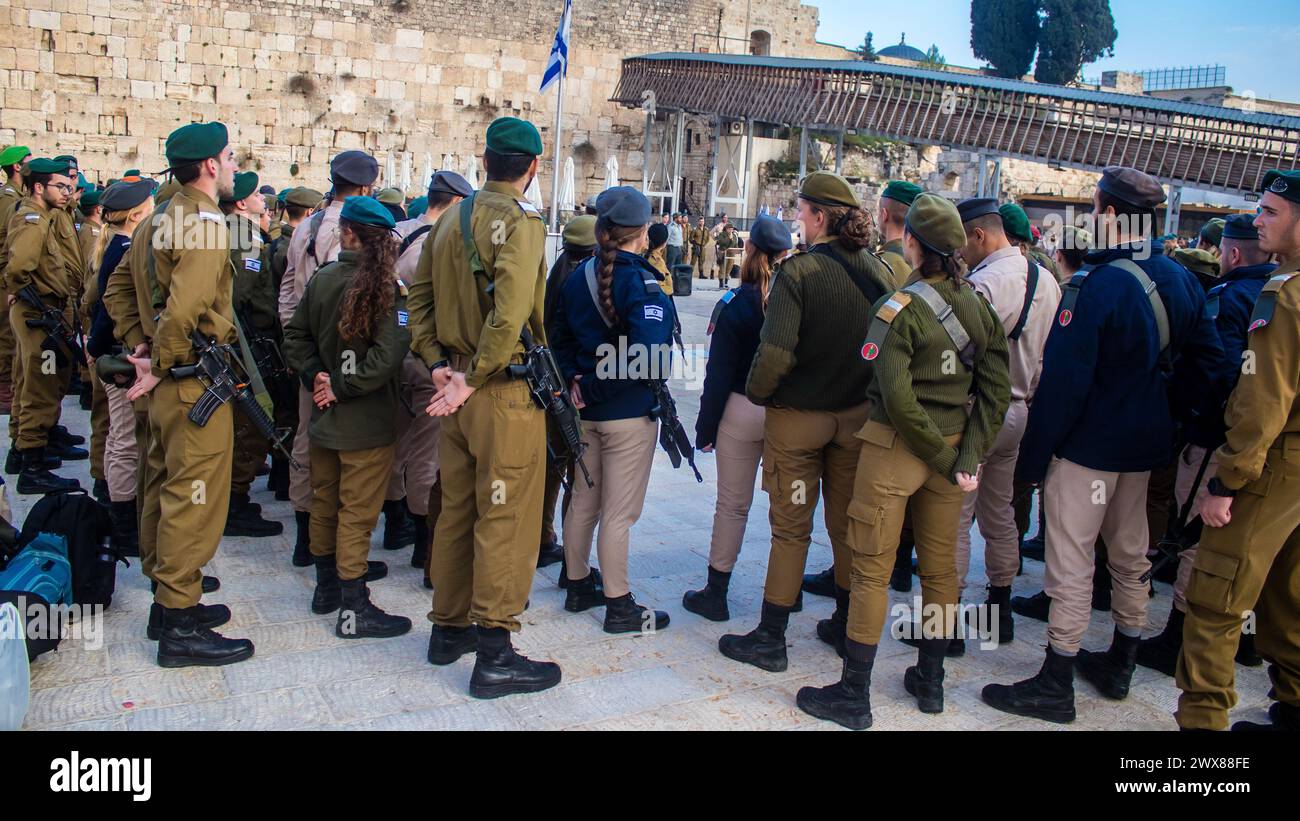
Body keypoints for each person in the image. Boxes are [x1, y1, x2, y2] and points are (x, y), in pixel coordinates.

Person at [984, 166, 1225, 723]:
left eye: (1094, 208)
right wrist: (1168, 419)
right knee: (1130, 554)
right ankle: (1121, 660)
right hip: (1143, 450)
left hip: (1089, 449)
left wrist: (1034, 460)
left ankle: (1056, 679)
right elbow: (1209, 366)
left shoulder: (1094, 287)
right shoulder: (1182, 279)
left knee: (1070, 564)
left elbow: (1065, 386)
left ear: (1111, 214)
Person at [795, 193, 1010, 730]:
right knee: (940, 571)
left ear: (912, 241)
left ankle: (854, 693)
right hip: (954, 449)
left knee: (870, 568)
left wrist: (942, 454)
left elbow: (894, 395)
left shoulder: (898, 308)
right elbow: (995, 390)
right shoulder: (979, 306)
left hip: (896, 450)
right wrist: (968, 454)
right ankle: (930, 683)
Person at [718, 171, 899, 673]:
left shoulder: (798, 274)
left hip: (800, 422)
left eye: (801, 210)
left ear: (821, 217)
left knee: (791, 529)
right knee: (845, 525)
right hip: (855, 420)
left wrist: (758, 393)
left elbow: (774, 354)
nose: (797, 218)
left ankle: (771, 637)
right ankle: (844, 624)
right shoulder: (882, 272)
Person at [407, 116, 561, 698]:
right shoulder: (521, 223)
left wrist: (437, 364)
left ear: (485, 160)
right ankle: (495, 651)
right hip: (499, 392)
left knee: (459, 511)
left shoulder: (452, 218)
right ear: (533, 167)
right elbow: (512, 314)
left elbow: (417, 297)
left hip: (456, 392)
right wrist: (472, 376)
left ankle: (448, 630)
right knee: (507, 517)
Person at [123, 121, 255, 667]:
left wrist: (143, 346)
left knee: (164, 487)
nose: (230, 166)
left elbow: (119, 289)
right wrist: (162, 360)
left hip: (172, 382)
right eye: (227, 157)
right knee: (193, 497)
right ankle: (179, 623)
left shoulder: (160, 217)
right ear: (208, 166)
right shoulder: (202, 221)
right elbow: (183, 310)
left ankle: (168, 602)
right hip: (190, 380)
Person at [1176, 170, 1300, 732]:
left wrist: (1226, 483)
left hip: (1271, 467)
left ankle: (1202, 733)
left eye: (1272, 211)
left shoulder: (1284, 295)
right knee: (1288, 595)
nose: (1259, 221)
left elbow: (1261, 402)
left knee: (1215, 599)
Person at [1137, 213, 1276, 677]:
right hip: (1264, 444)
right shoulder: (1280, 293)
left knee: (1198, 538)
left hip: (1217, 441)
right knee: (1249, 544)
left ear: (1232, 254)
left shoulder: (1229, 295)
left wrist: (1193, 418)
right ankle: (1249, 636)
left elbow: (1212, 370)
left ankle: (1177, 638)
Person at [283, 195, 413, 640]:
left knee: (325, 504)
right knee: (356, 515)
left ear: (347, 234)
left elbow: (295, 336)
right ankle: (354, 606)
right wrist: (339, 382)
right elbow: (385, 359)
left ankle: (326, 590)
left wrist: (317, 375)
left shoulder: (322, 281)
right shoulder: (389, 291)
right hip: (366, 423)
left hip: (324, 418)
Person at [549, 186, 675, 633]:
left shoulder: (577, 275)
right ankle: (619, 605)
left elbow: (557, 338)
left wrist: (577, 384)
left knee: (584, 502)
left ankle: (578, 583)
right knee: (619, 514)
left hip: (586, 411)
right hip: (626, 414)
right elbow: (647, 354)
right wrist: (598, 386)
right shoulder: (643, 283)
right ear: (643, 232)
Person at [684, 215, 792, 621]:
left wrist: (705, 428)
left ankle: (716, 592)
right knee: (787, 507)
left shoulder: (734, 303)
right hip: (785, 413)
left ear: (748, 252)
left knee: (732, 505)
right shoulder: (793, 299)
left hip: (741, 407)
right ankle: (787, 590)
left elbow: (719, 373)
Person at [279, 150, 381, 575]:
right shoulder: (354, 228)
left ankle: (308, 541)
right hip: (348, 354)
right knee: (351, 457)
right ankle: (340, 555)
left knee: (309, 442)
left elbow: (288, 288)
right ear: (365, 188)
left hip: (311, 351)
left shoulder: (306, 227)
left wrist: (300, 349)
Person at [388, 170, 472, 576]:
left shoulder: (397, 231)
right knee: (427, 453)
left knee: (397, 442)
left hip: (393, 353)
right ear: (456, 203)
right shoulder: (445, 244)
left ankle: (393, 525)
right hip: (428, 361)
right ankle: (425, 547)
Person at [85, 177, 157, 559]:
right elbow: (109, 308)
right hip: (122, 355)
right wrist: (98, 348)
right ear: (136, 213)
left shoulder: (111, 243)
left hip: (112, 352)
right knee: (127, 441)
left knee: (118, 438)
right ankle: (126, 529)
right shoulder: (124, 247)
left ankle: (121, 517)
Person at [3, 157, 84, 494]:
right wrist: (24, 291)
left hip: (40, 309)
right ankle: (32, 466)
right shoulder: (34, 219)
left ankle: (23, 453)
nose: (67, 192)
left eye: (69, 186)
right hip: (40, 312)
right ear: (39, 187)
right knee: (41, 383)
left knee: (30, 378)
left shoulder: (43, 216)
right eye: (60, 186)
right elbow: (20, 265)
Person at [220, 171, 282, 537]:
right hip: (249, 343)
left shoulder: (234, 230)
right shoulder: (244, 237)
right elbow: (238, 299)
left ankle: (234, 496)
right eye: (258, 194)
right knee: (251, 422)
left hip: (249, 340)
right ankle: (234, 500)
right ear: (242, 203)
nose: (264, 200)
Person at [543, 214, 597, 582]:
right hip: (577, 392)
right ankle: (572, 565)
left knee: (551, 469)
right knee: (581, 478)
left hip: (549, 386)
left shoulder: (556, 275)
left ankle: (543, 539)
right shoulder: (588, 283)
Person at [0, 145, 33, 414]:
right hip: (7, 277)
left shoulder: (19, 197)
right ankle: (4, 393)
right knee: (7, 338)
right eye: (29, 161)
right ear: (18, 167)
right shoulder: (9, 201)